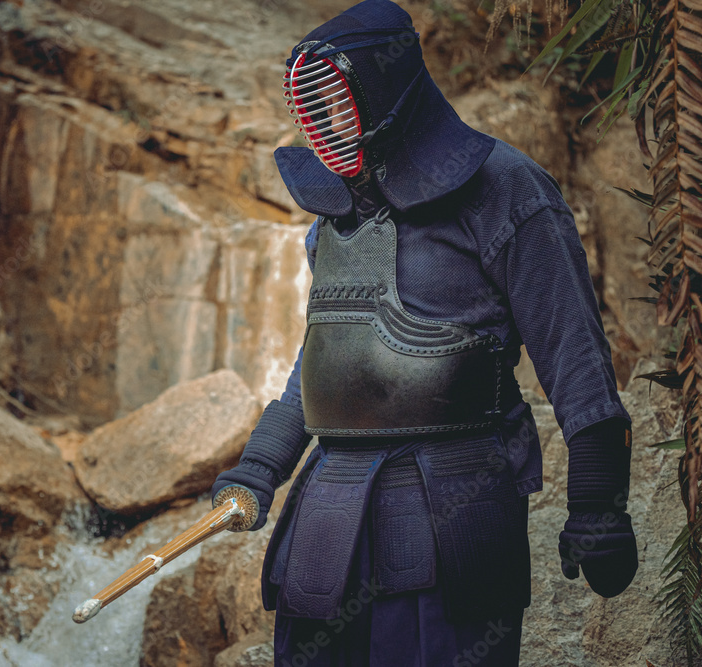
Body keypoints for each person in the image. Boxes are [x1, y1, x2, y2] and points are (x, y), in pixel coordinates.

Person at [209, 1, 638, 664]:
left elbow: (576, 355)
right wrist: (260, 465)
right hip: (325, 527)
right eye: (314, 113)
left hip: (451, 524)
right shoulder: (331, 223)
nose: (326, 128)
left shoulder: (509, 191)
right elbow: (323, 360)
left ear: (387, 89)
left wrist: (598, 500)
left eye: (339, 105)